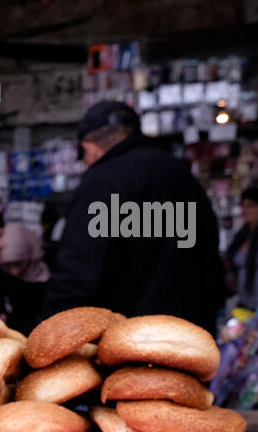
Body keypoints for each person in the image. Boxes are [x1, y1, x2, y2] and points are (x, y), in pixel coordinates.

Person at [38, 101, 225, 331]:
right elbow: (210, 257)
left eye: (83, 154)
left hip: (128, 345)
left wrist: (46, 332)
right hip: (188, 338)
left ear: (90, 145)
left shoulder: (104, 181)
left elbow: (78, 272)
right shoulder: (182, 176)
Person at [0, 221, 50, 334]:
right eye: (7, 265)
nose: (14, 271)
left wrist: (9, 321)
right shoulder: (3, 275)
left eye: (18, 263)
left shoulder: (48, 284)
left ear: (28, 254)